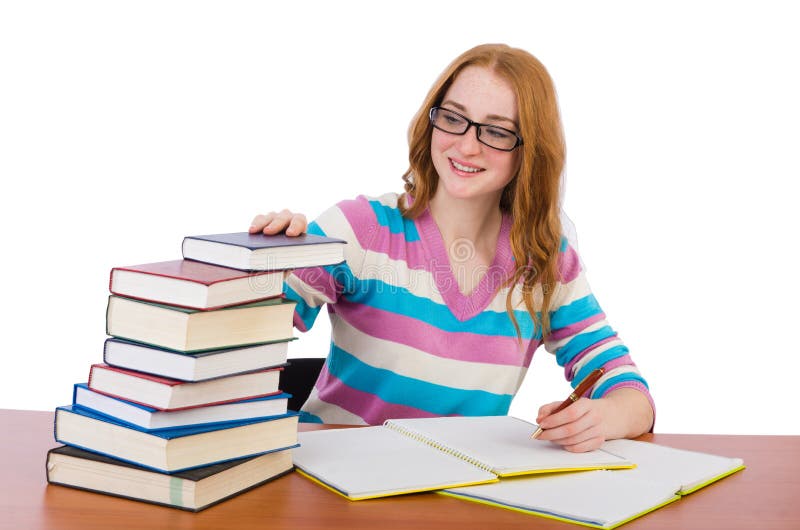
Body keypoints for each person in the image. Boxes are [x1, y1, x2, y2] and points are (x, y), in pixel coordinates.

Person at [250, 43, 654, 452]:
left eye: (496, 131)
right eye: (453, 118)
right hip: (333, 490)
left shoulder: (544, 262)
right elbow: (229, 342)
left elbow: (632, 395)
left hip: (455, 496)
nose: (466, 145)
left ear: (530, 150)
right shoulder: (363, 229)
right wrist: (268, 262)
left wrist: (600, 417)